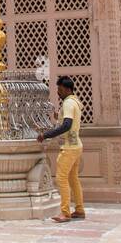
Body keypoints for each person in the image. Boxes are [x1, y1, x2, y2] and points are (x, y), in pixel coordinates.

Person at [37, 76, 85, 223]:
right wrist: (60, 117)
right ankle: (79, 209)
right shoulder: (75, 101)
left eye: (60, 89)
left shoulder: (68, 103)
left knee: (61, 178)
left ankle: (65, 212)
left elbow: (66, 125)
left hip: (69, 147)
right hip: (76, 145)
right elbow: (68, 120)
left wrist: (46, 135)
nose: (58, 92)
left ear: (68, 89)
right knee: (73, 179)